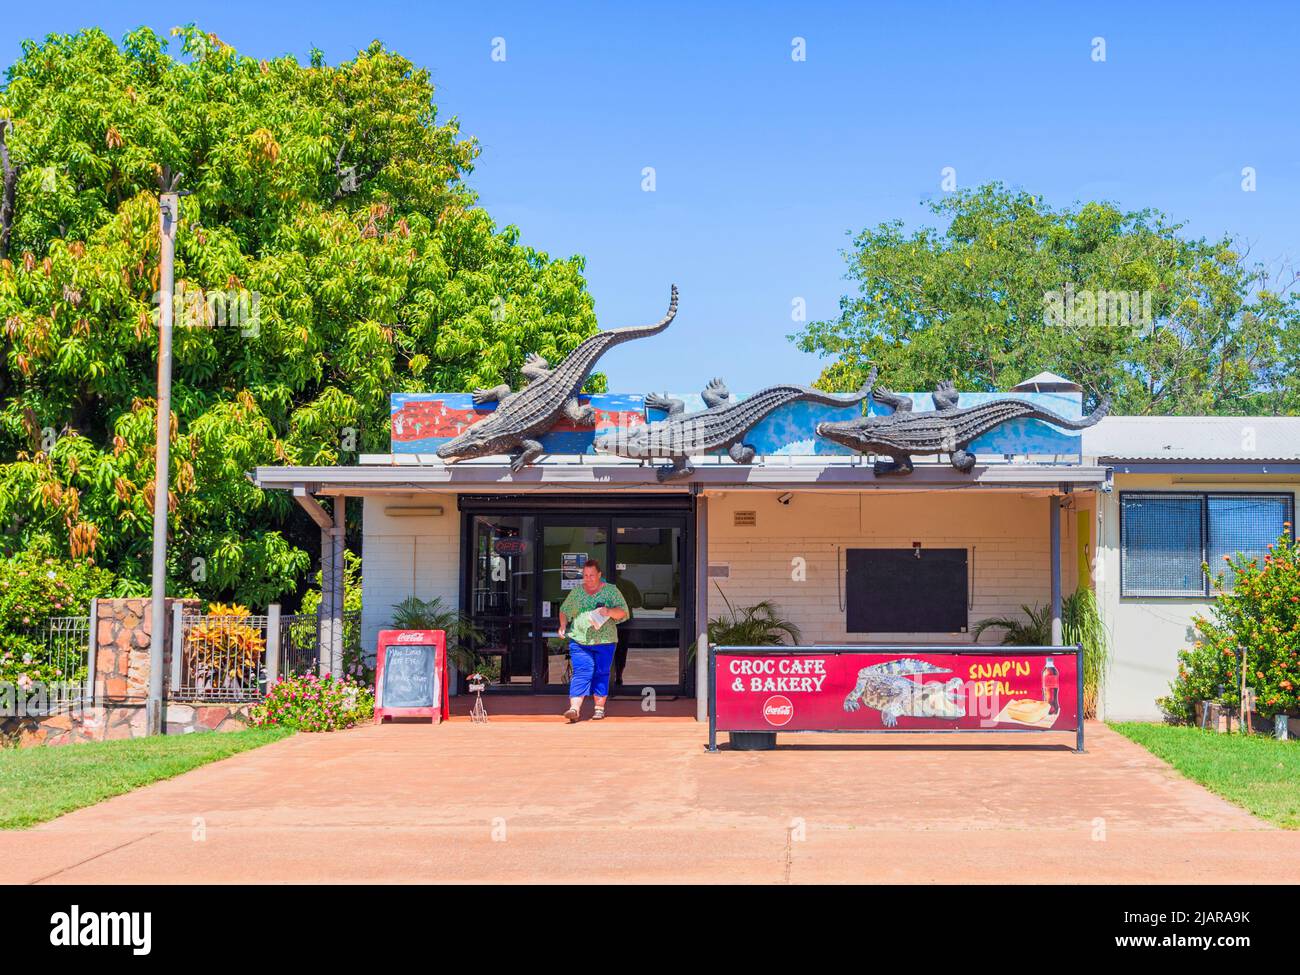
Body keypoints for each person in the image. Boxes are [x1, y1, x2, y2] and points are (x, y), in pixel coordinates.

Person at [557, 558, 629, 722]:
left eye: (591, 575)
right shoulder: (577, 592)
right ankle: (574, 709)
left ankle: (599, 708)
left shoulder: (611, 591)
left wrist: (609, 611)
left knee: (601, 672)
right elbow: (564, 610)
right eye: (585, 575)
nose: (588, 578)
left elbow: (623, 612)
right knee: (582, 671)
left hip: (605, 640)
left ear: (599, 575)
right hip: (580, 640)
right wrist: (562, 625)